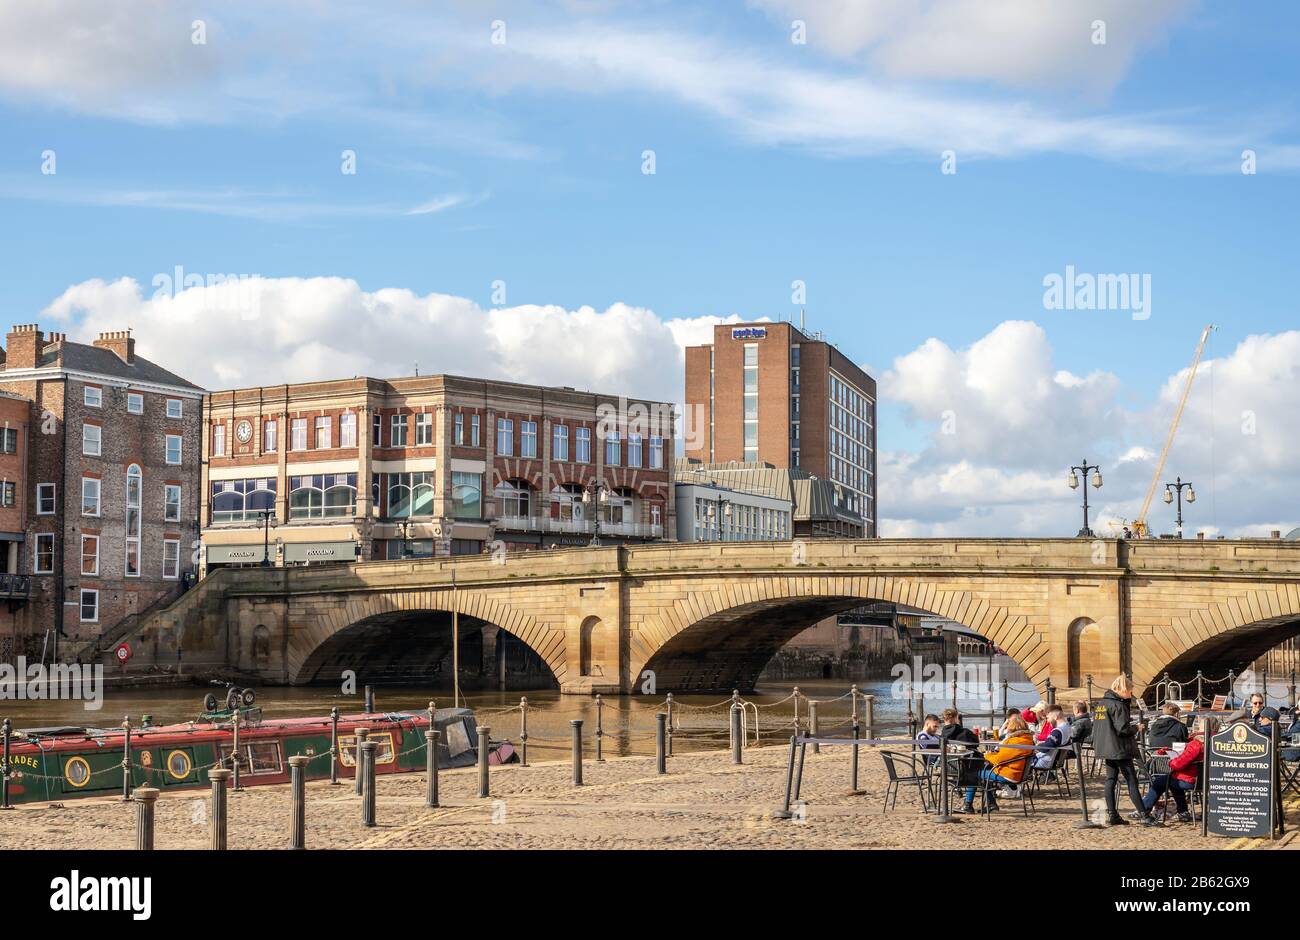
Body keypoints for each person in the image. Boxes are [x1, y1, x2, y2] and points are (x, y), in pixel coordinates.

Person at [1091, 674, 1154, 826]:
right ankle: (1144, 815)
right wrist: (1136, 728)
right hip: (1119, 748)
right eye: (1130, 690)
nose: (1131, 694)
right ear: (1123, 689)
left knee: (1110, 780)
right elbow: (1122, 729)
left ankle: (1113, 815)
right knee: (1132, 780)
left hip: (1105, 747)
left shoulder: (1101, 703)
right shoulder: (1118, 705)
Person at [1137, 715, 1215, 823]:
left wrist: (1171, 761)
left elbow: (1179, 764)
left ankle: (1144, 809)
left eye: (1199, 725)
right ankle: (1182, 811)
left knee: (1160, 781)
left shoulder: (1197, 744)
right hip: (1209, 780)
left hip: (1191, 780)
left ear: (1203, 727)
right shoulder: (1216, 742)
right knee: (1173, 781)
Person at [967, 715, 1035, 812]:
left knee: (975, 774)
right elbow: (1006, 756)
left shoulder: (1015, 741)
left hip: (1009, 774)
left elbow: (998, 759)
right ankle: (991, 804)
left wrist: (987, 755)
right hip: (1019, 773)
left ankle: (968, 804)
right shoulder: (1028, 740)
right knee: (984, 776)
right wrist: (992, 754)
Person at [941, 708, 983, 811]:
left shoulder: (942, 736)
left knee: (975, 770)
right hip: (965, 768)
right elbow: (976, 743)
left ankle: (989, 803)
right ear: (956, 718)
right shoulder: (965, 732)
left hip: (948, 768)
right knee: (978, 771)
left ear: (944, 719)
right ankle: (968, 804)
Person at [1033, 705, 1072, 770]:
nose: (1047, 721)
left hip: (1045, 762)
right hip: (1056, 760)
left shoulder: (1057, 732)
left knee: (1023, 760)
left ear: (1055, 716)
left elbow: (1046, 748)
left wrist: (1037, 746)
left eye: (1048, 717)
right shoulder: (1068, 727)